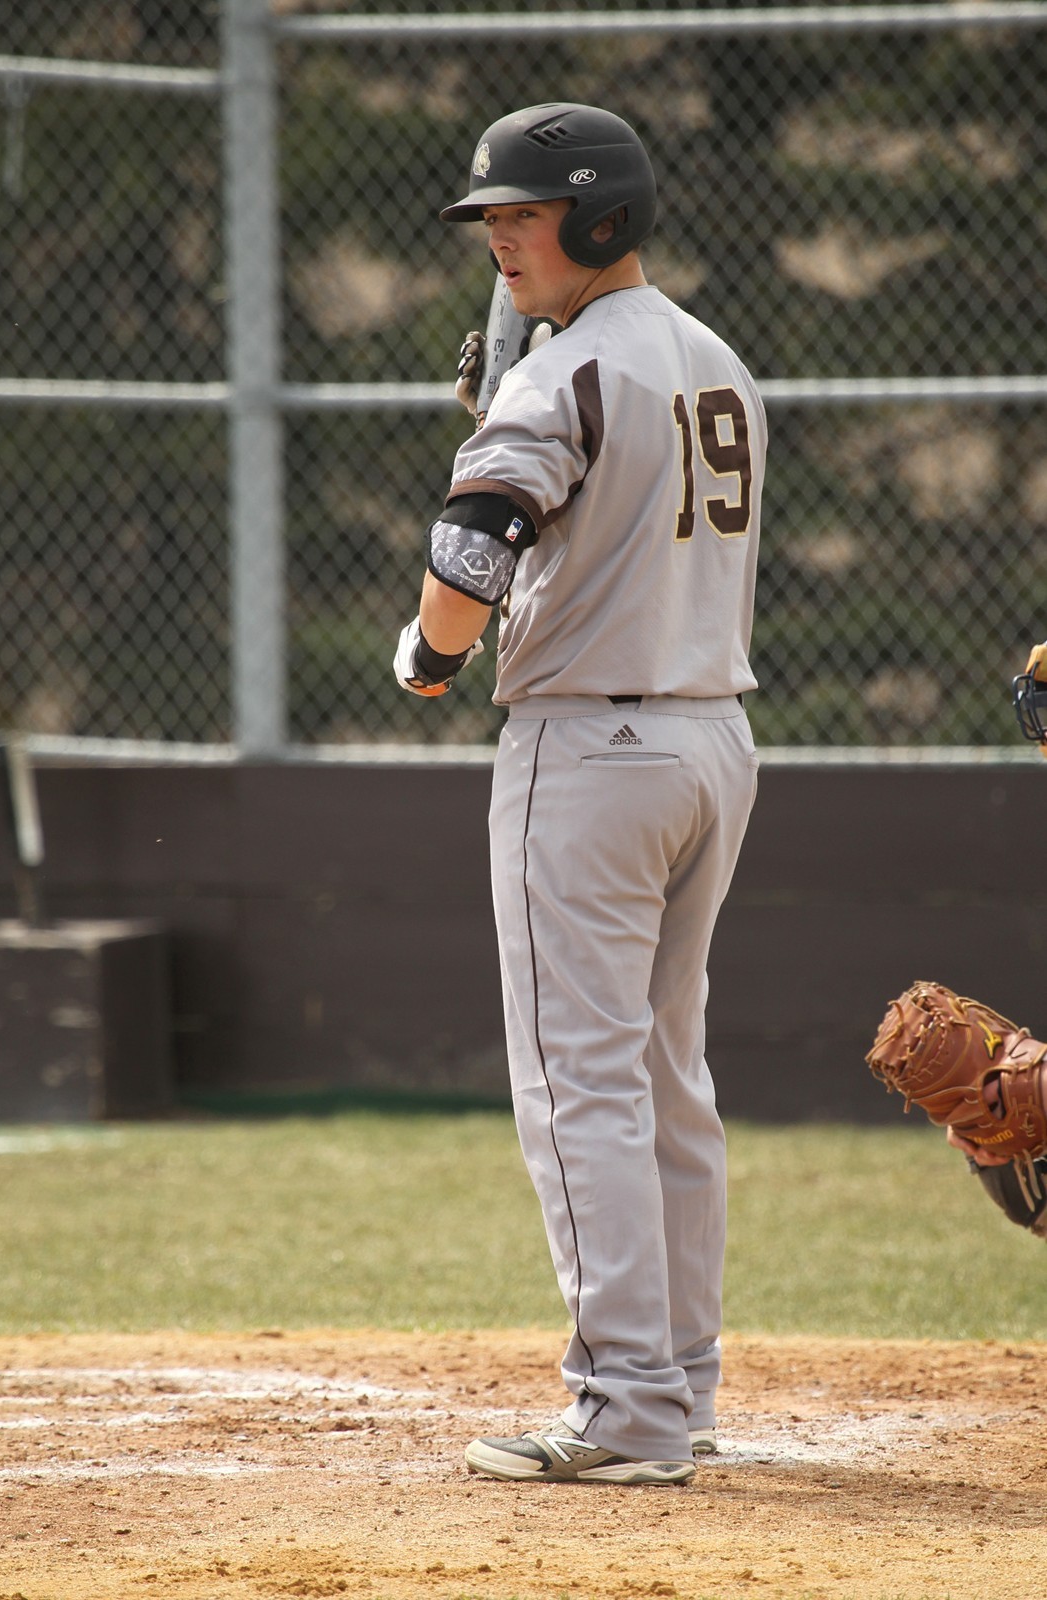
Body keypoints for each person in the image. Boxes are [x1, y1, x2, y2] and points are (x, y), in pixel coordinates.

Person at [393, 103, 766, 1485]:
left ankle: (626, 1409)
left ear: (601, 216)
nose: (498, 237)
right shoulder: (716, 361)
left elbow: (475, 544)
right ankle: (684, 1389)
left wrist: (429, 657)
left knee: (579, 1085)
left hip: (589, 757)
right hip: (711, 746)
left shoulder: (557, 382)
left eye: (524, 212)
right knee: (666, 1075)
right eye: (490, 216)